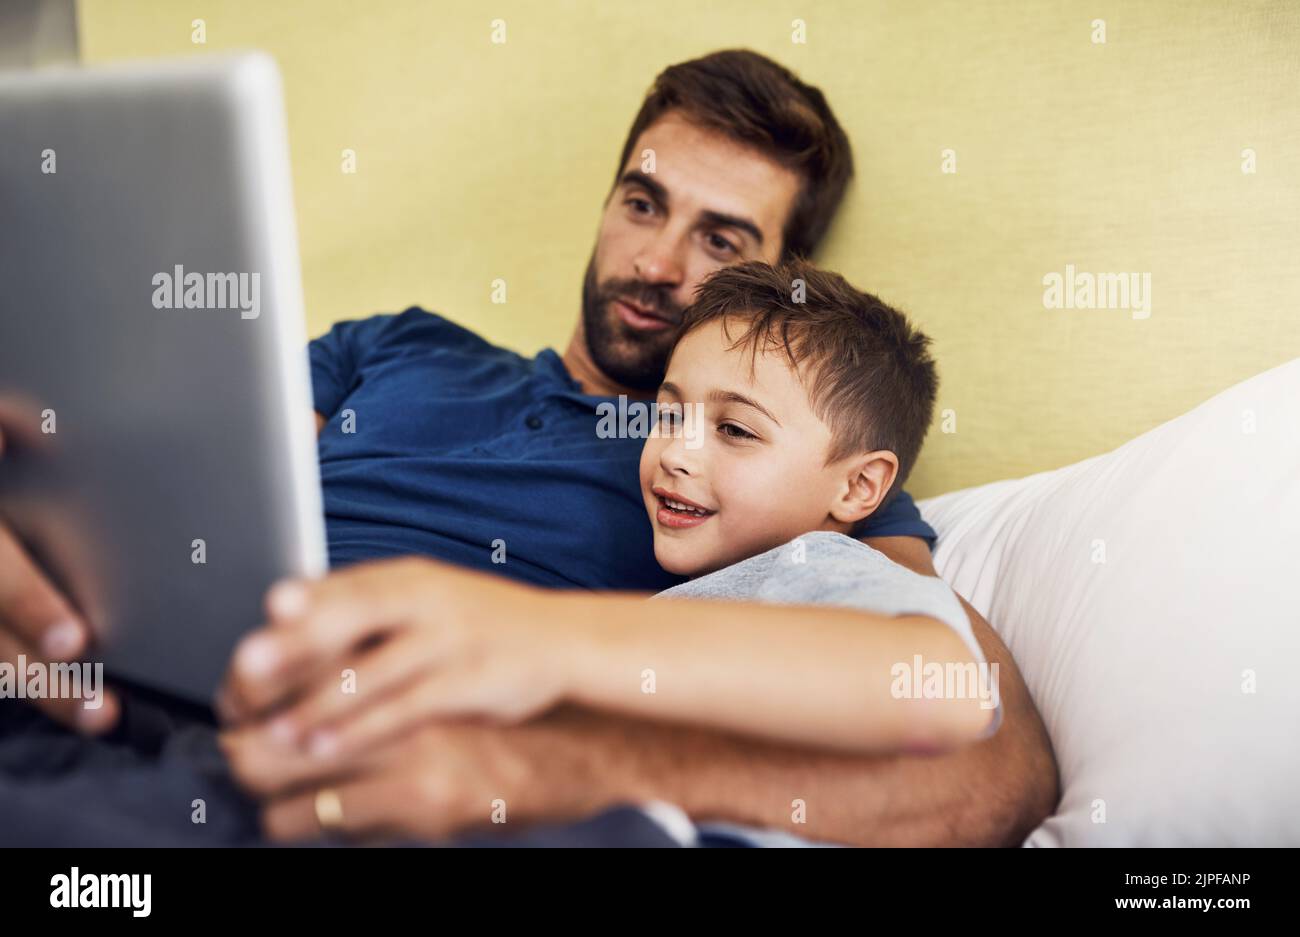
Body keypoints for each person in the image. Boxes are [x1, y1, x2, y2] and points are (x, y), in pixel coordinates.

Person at [0, 50, 1057, 846]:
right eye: (642, 203)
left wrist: (548, 749)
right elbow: (156, 477)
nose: (654, 259)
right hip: (107, 686)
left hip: (333, 770)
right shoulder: (398, 345)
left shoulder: (776, 481)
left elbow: (978, 746)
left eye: (721, 240)